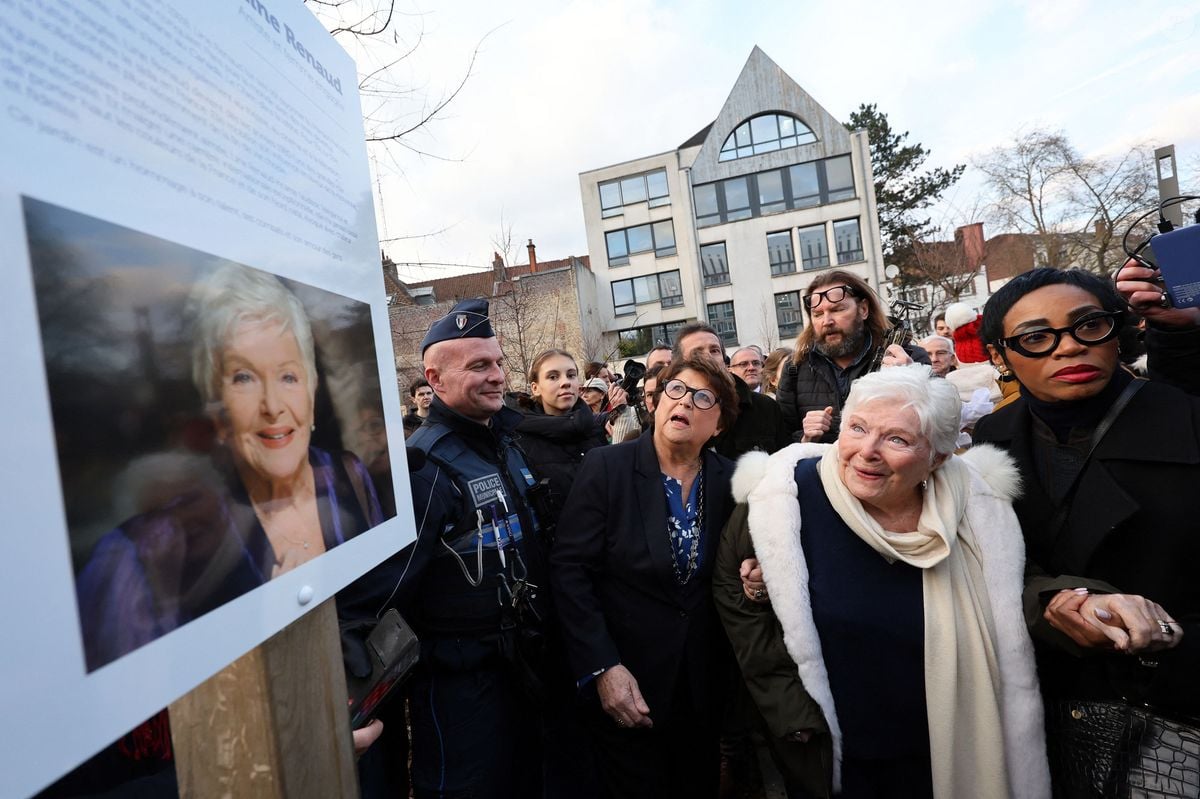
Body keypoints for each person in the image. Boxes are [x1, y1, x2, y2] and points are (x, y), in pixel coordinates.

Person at [715, 365, 1049, 799]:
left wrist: (1073, 599)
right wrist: (789, 709)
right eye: (857, 428)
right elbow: (735, 602)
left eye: (897, 439)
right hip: (834, 750)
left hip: (948, 747)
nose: (867, 451)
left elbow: (1014, 591)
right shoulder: (783, 499)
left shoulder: (977, 507)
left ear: (939, 458)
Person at [76, 264, 384, 673]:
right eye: (243, 377)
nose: (273, 405)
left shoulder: (349, 477)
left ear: (310, 389)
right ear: (214, 404)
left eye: (288, 376)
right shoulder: (152, 551)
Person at [972, 268, 1197, 795]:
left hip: (1174, 712)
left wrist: (1166, 638)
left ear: (1118, 331)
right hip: (1045, 715)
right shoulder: (990, 440)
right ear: (1000, 356)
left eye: (1088, 325)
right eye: (1035, 337)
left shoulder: (1186, 421)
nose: (1068, 348)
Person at [339, 298, 550, 799]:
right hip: (459, 690)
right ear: (434, 380)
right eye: (479, 365)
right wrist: (344, 702)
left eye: (498, 362)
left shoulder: (504, 444)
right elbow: (370, 598)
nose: (496, 374)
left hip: (520, 668)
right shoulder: (423, 468)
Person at [551, 356, 739, 799]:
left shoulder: (732, 482)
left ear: (719, 425)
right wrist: (603, 667)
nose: (685, 403)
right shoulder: (606, 468)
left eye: (703, 397)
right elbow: (570, 571)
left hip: (701, 690)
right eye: (676, 390)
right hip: (626, 683)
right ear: (656, 403)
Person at [776, 270, 930, 445]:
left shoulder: (909, 359)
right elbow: (780, 440)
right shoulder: (795, 367)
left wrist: (913, 383)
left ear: (863, 309)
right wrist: (806, 439)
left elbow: (938, 431)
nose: (827, 321)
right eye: (817, 314)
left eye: (837, 309)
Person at [507, 349, 609, 525]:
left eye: (571, 375)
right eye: (553, 377)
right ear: (535, 388)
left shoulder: (593, 429)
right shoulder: (518, 440)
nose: (565, 383)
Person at [674, 323, 790, 459]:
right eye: (697, 353)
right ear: (679, 365)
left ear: (724, 360)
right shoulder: (672, 411)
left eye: (714, 350)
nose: (708, 357)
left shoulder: (764, 407)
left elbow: (784, 463)